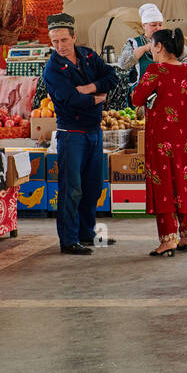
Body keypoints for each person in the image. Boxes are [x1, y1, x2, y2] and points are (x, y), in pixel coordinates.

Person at [42, 13, 119, 256]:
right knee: (72, 188)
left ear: (74, 37)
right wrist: (97, 98)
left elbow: (112, 77)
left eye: (64, 40)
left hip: (94, 132)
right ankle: (69, 240)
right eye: (54, 42)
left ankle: (87, 232)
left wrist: (89, 89)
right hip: (71, 134)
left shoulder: (87, 55)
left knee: (93, 185)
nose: (60, 46)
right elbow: (70, 99)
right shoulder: (53, 69)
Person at [130, 28, 187, 257]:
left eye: (151, 43)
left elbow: (136, 98)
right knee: (184, 182)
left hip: (161, 138)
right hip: (186, 137)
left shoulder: (155, 70)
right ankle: (186, 235)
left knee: (163, 186)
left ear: (158, 46)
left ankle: (167, 240)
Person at [117, 2, 172, 87]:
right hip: (141, 91)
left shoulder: (168, 41)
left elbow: (185, 58)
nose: (158, 28)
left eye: (160, 25)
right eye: (153, 25)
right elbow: (123, 64)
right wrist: (144, 48)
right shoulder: (134, 43)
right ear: (144, 26)